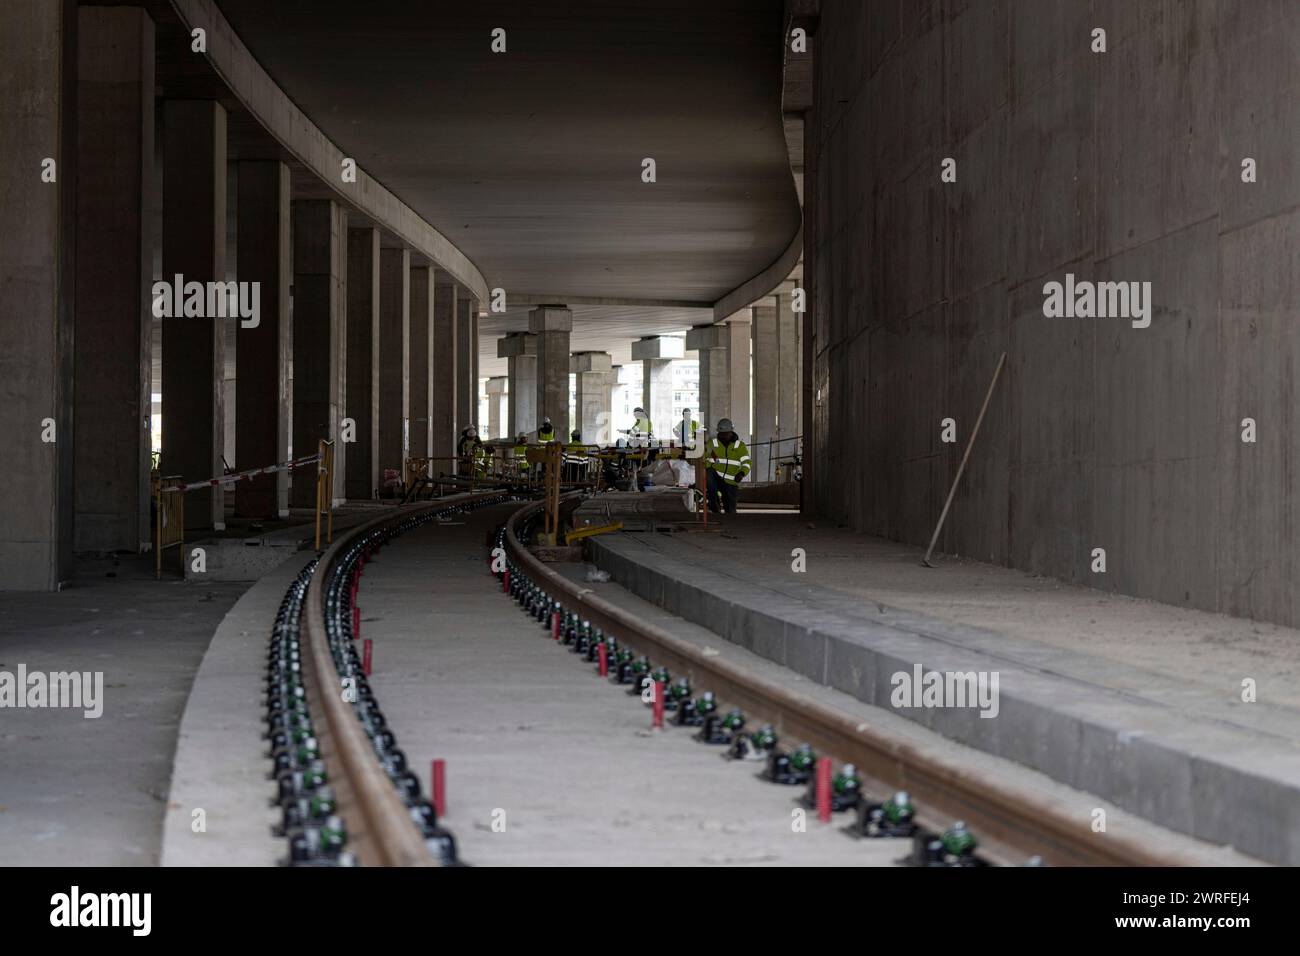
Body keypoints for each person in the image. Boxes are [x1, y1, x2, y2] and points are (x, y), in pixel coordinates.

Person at [705, 418, 750, 514]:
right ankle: (714, 503)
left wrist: (742, 473)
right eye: (722, 433)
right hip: (716, 478)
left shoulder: (739, 446)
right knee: (709, 473)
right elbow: (705, 458)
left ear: (731, 432)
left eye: (726, 433)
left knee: (730, 511)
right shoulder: (712, 444)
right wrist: (710, 464)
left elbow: (746, 462)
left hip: (731, 481)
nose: (724, 436)